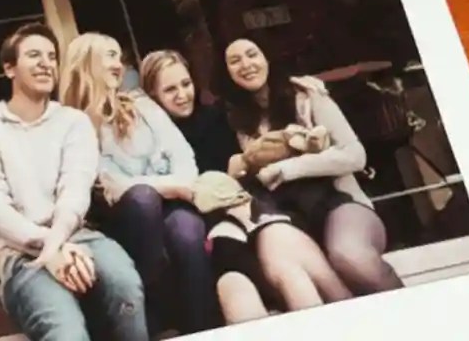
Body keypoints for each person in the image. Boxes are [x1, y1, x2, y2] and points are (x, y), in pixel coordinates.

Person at [0, 23, 148, 341]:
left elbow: (75, 191)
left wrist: (58, 242)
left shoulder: (73, 122)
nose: (46, 63)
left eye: (51, 56)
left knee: (126, 287)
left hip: (80, 236)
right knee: (65, 331)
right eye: (34, 55)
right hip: (19, 253)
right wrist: (49, 249)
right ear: (9, 68)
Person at [138, 49, 353, 323]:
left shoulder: (218, 117)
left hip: (254, 213)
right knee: (242, 292)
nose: (182, 94)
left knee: (291, 266)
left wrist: (302, 84)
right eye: (170, 90)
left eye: (186, 84)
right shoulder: (153, 142)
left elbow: (259, 106)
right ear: (153, 96)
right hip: (219, 232)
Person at [216, 37, 404, 296]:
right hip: (288, 219)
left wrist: (288, 168)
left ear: (267, 57)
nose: (246, 65)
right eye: (234, 61)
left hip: (340, 204)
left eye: (252, 54)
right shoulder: (233, 120)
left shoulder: (306, 94)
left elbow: (355, 155)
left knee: (350, 258)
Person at [59, 33, 218, 336]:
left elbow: (184, 159)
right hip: (118, 221)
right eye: (109, 55)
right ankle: (153, 310)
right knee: (142, 200)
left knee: (187, 231)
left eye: (119, 56)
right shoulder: (72, 124)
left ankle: (201, 330)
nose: (118, 64)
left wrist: (175, 186)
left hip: (172, 205)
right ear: (87, 61)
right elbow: (112, 186)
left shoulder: (142, 105)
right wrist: (171, 186)